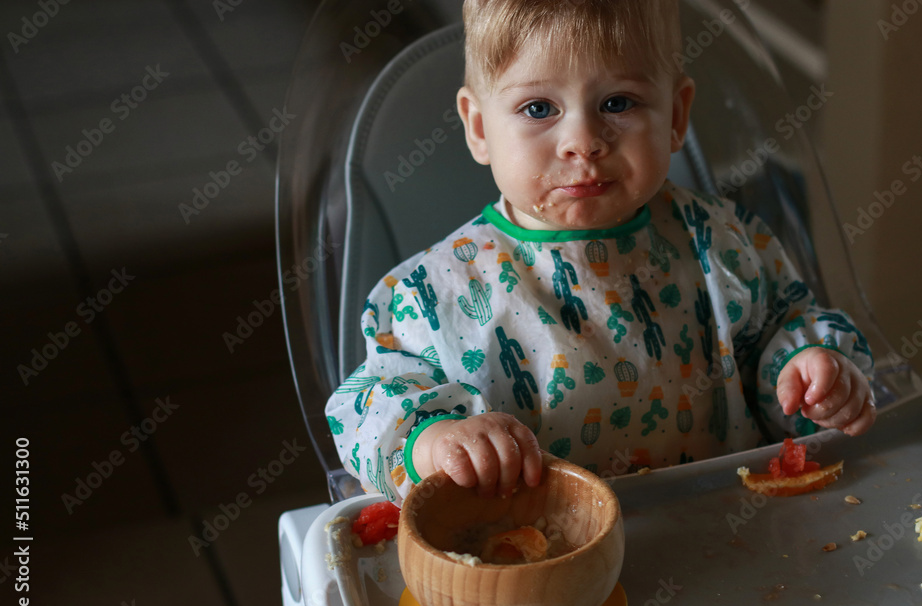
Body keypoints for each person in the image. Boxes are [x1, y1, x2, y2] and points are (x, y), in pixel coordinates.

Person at [325, 0, 876, 504]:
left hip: (731, 530)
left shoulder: (727, 244)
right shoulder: (431, 295)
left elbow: (783, 335)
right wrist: (434, 443)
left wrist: (811, 376)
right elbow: (368, 411)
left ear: (676, 115)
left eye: (617, 103)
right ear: (479, 127)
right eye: (538, 108)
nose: (583, 141)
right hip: (534, 559)